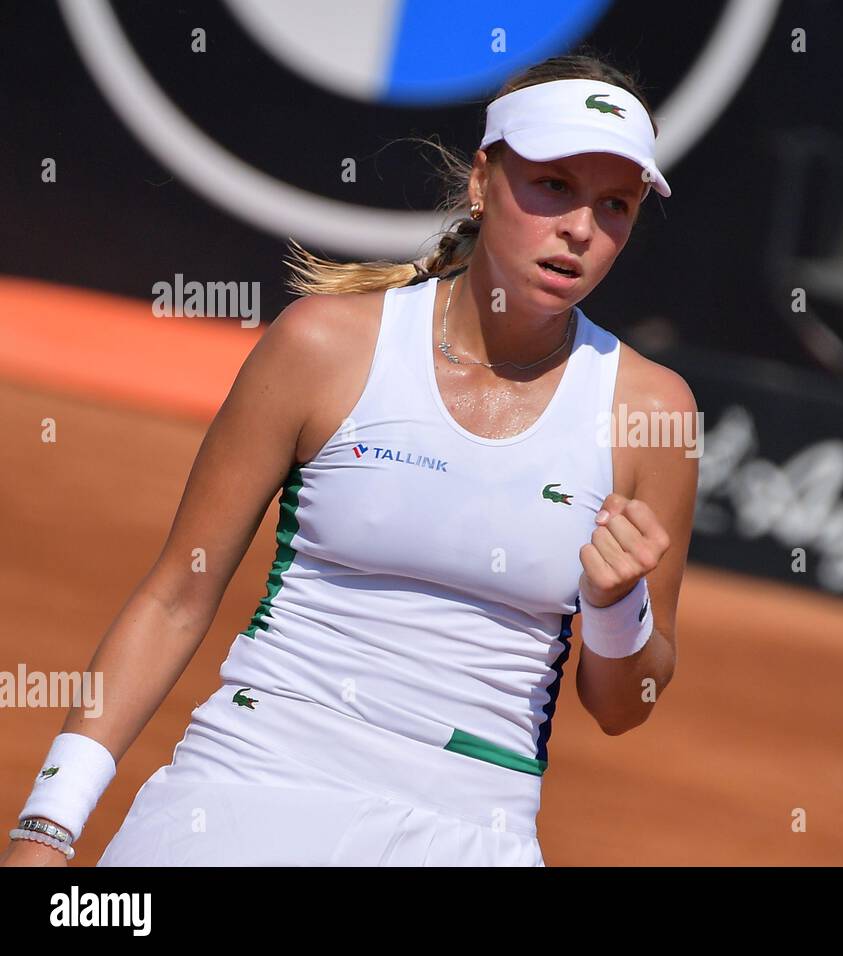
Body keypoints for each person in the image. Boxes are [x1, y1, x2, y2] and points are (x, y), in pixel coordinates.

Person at [1, 53, 698, 867]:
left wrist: (620, 607)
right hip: (245, 791)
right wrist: (45, 827)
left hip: (474, 828)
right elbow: (176, 599)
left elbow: (625, 706)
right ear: (482, 180)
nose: (581, 229)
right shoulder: (322, 347)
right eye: (553, 187)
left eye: (614, 205)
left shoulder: (653, 414)